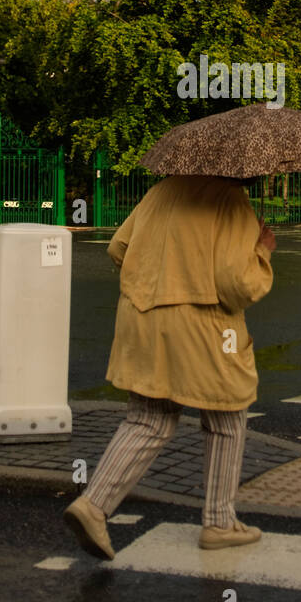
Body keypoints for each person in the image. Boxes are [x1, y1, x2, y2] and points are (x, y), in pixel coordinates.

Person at [64, 173, 276, 559]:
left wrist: (153, 281)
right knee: (227, 418)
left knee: (149, 419)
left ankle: (93, 505)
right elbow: (237, 286)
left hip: (140, 319)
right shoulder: (230, 199)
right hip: (202, 329)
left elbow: (118, 248)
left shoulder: (161, 190)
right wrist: (261, 251)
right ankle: (219, 522)